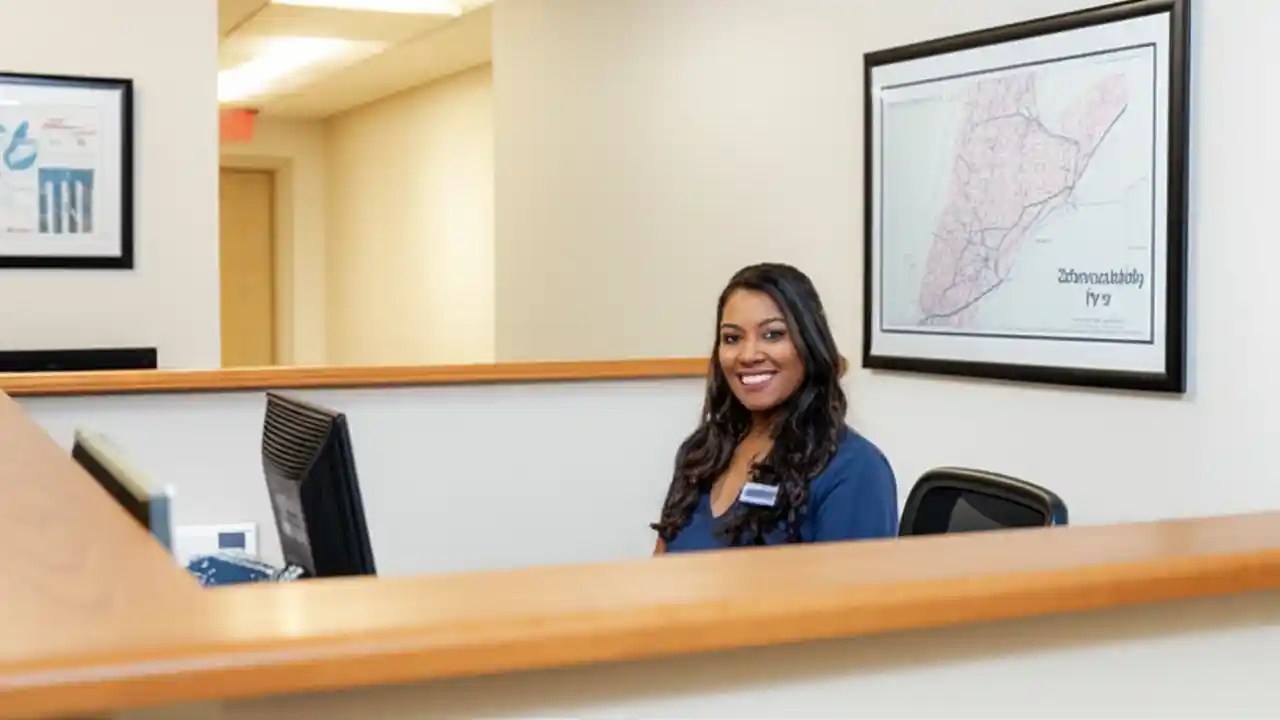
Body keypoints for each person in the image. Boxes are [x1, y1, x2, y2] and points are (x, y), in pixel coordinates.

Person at [651, 263, 898, 553]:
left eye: (772, 335)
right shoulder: (701, 453)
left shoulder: (855, 469)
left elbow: (856, 597)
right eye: (732, 338)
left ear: (809, 343)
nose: (748, 355)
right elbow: (661, 574)